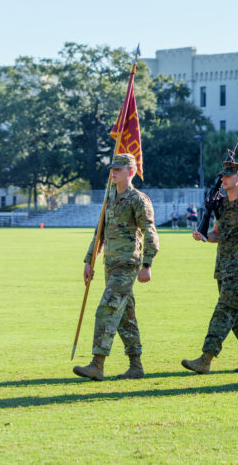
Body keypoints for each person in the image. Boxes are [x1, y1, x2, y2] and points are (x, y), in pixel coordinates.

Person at [73, 153, 158, 381]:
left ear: (131, 172)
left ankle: (97, 364)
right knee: (125, 316)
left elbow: (150, 232)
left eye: (118, 169)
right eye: (112, 169)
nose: (113, 172)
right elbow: (99, 232)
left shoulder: (138, 200)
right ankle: (136, 365)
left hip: (127, 265)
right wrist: (88, 262)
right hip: (110, 266)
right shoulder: (109, 197)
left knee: (107, 309)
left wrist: (147, 264)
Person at [182, 159, 238, 374]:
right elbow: (217, 234)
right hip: (222, 267)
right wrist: (204, 236)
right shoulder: (220, 204)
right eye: (222, 175)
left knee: (223, 312)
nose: (223, 179)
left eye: (228, 176)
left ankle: (206, 358)